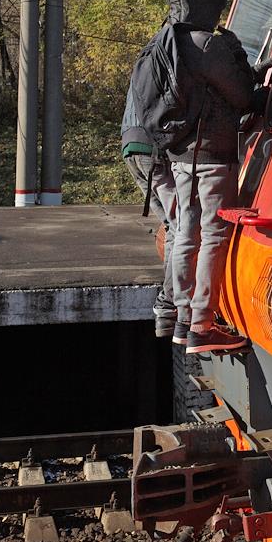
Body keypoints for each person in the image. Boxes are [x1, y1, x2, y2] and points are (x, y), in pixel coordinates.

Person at [162, 0, 256, 354]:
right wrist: (239, 56)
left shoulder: (170, 43)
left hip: (180, 154)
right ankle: (203, 322)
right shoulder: (208, 46)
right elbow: (243, 97)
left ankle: (184, 319)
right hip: (212, 154)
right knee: (214, 232)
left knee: (186, 233)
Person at [121, 67, 179, 339]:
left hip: (130, 146)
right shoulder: (173, 60)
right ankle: (168, 301)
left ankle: (168, 304)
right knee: (180, 227)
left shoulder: (147, 64)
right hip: (151, 149)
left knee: (170, 223)